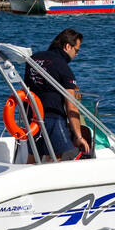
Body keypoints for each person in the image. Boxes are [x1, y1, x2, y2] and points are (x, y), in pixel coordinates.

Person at [24, 28, 89, 160]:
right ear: (67, 46)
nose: (76, 55)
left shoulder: (33, 59)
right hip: (53, 118)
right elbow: (71, 106)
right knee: (58, 156)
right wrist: (79, 137)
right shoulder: (64, 68)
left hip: (32, 117)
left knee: (33, 156)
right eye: (76, 50)